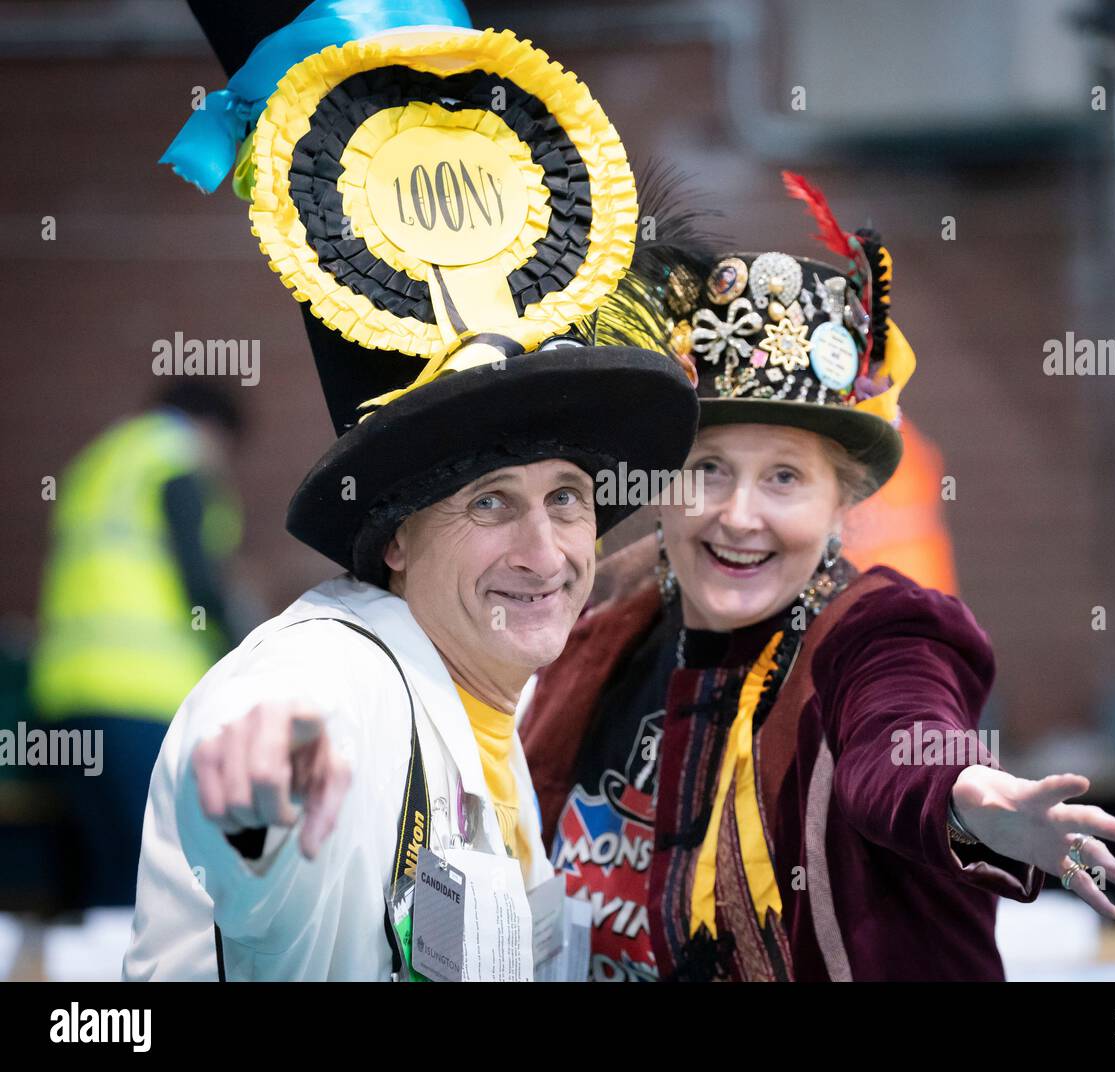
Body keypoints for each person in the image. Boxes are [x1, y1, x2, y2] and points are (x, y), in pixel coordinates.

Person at [123, 0, 698, 981]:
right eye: (487, 503)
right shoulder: (337, 679)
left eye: (565, 499)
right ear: (394, 537)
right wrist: (271, 777)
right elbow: (292, 735)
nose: (545, 549)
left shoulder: (489, 708)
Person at [523, 175, 1115, 981]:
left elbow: (899, 742)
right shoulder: (603, 610)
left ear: (842, 502)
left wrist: (959, 799)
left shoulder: (884, 631)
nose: (740, 515)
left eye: (785, 478)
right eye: (707, 469)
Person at [29, 380, 244, 909]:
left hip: (65, 700)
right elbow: (201, 581)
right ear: (211, 431)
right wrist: (248, 653)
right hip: (141, 702)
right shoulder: (175, 460)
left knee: (96, 877)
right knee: (150, 876)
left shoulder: (99, 463)